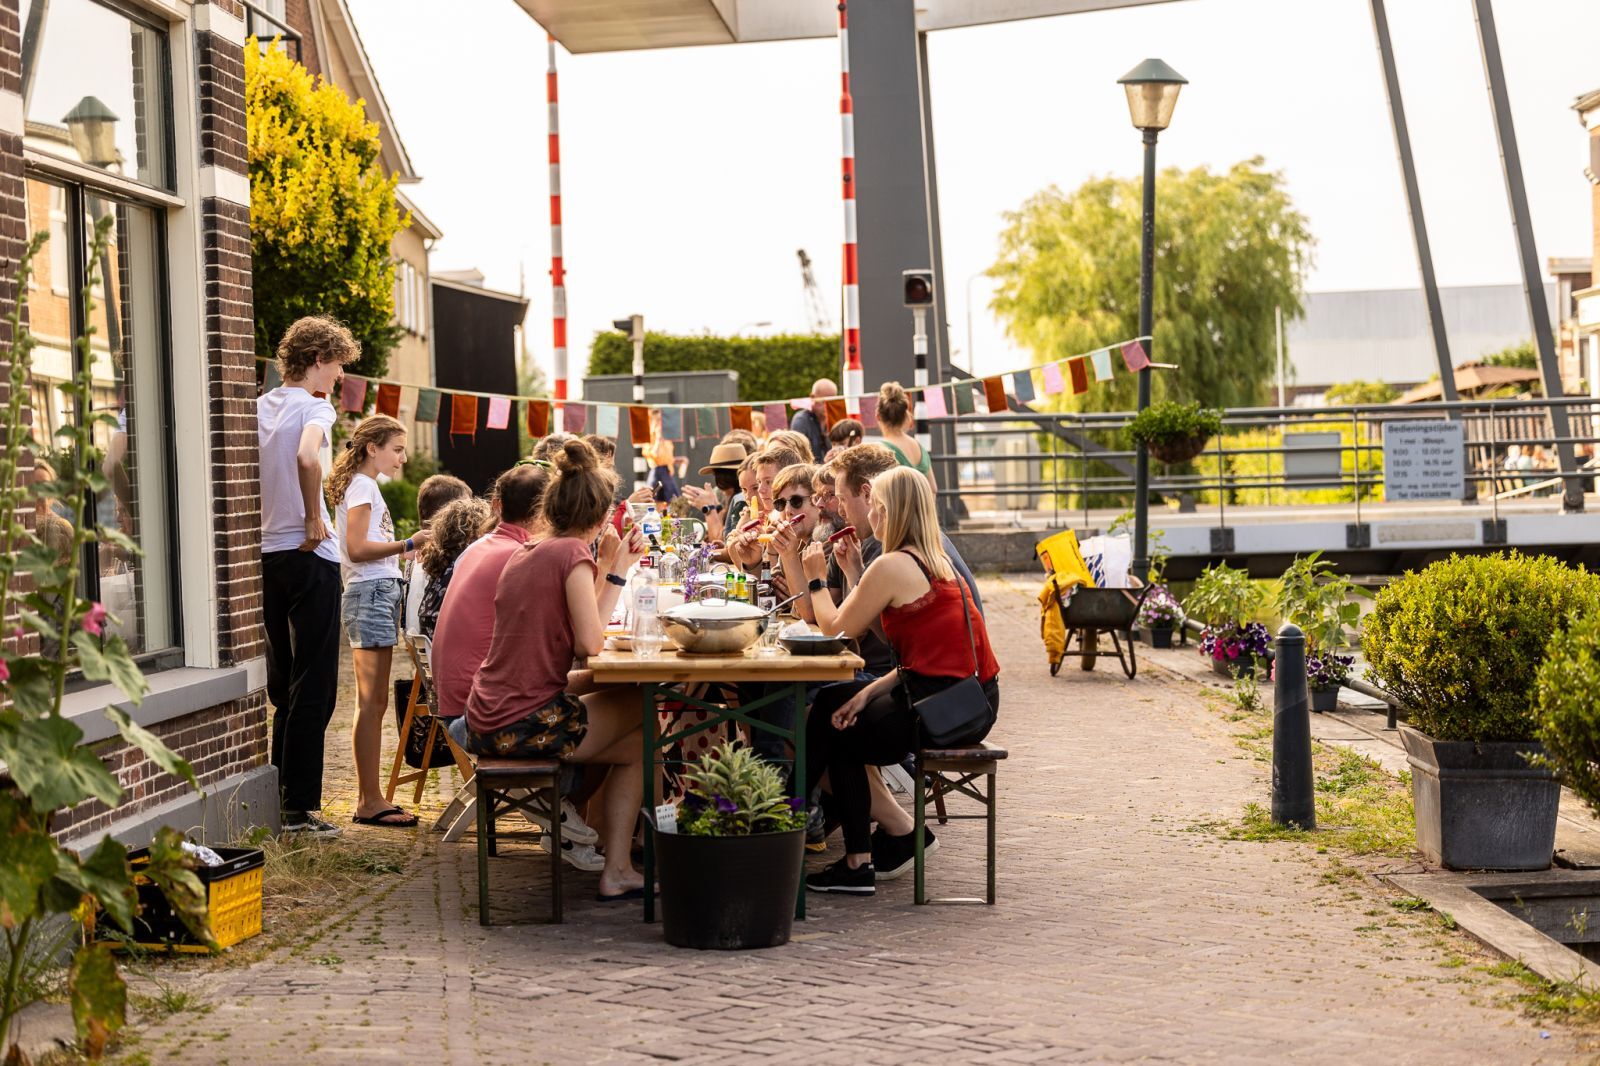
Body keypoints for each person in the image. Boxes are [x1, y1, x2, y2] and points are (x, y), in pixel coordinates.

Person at [463, 438, 651, 902]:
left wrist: (616, 570)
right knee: (644, 708)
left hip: (487, 713)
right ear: (602, 514)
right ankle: (619, 863)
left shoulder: (530, 551)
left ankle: (615, 864)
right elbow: (590, 645)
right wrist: (614, 569)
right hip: (520, 723)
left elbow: (578, 637)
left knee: (636, 742)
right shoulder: (570, 555)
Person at [798, 467, 1000, 895]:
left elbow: (834, 626)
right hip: (965, 697)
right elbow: (900, 646)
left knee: (830, 723)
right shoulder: (933, 560)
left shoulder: (892, 564)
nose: (868, 510)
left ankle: (788, 822)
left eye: (874, 504)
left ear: (888, 510)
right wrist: (867, 691)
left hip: (943, 707)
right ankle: (842, 852)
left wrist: (815, 576)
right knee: (836, 706)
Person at [258, 315, 360, 837]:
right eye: (338, 366)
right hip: (310, 553)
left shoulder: (259, 407)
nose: (339, 379)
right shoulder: (315, 406)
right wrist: (314, 515)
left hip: (265, 557)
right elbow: (305, 456)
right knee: (315, 683)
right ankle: (300, 809)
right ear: (318, 359)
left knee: (283, 685)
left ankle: (280, 799)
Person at [328, 414, 431, 828]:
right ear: (373, 448)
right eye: (398, 449)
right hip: (370, 594)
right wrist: (408, 542)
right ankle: (369, 800)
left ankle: (371, 796)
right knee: (371, 702)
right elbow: (355, 548)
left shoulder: (362, 485)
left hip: (374, 591)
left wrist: (399, 553)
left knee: (373, 702)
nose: (402, 458)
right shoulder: (364, 485)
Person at [829, 443, 982, 615]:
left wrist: (815, 579)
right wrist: (854, 572)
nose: (840, 511)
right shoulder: (921, 537)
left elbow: (842, 628)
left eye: (842, 499)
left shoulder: (884, 545)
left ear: (868, 494)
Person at [403, 475, 472, 640]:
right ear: (450, 515)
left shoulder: (414, 557)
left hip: (422, 652)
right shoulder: (449, 557)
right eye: (466, 511)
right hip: (443, 650)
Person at [415, 496, 493, 640]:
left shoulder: (442, 562)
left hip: (433, 648)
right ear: (472, 535)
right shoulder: (464, 568)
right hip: (454, 646)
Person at [873, 381, 935, 490]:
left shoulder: (881, 450)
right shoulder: (919, 447)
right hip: (925, 506)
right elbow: (933, 488)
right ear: (905, 415)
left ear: (878, 416)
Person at [790, 378, 836, 463]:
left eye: (831, 402)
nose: (828, 406)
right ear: (812, 397)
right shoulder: (801, 420)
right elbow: (798, 457)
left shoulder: (835, 419)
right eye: (823, 401)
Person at [645, 409, 680, 503]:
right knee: (672, 499)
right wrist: (658, 440)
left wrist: (679, 460)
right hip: (657, 470)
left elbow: (667, 458)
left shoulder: (667, 439)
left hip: (666, 470)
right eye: (657, 421)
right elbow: (653, 455)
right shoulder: (650, 437)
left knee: (672, 500)